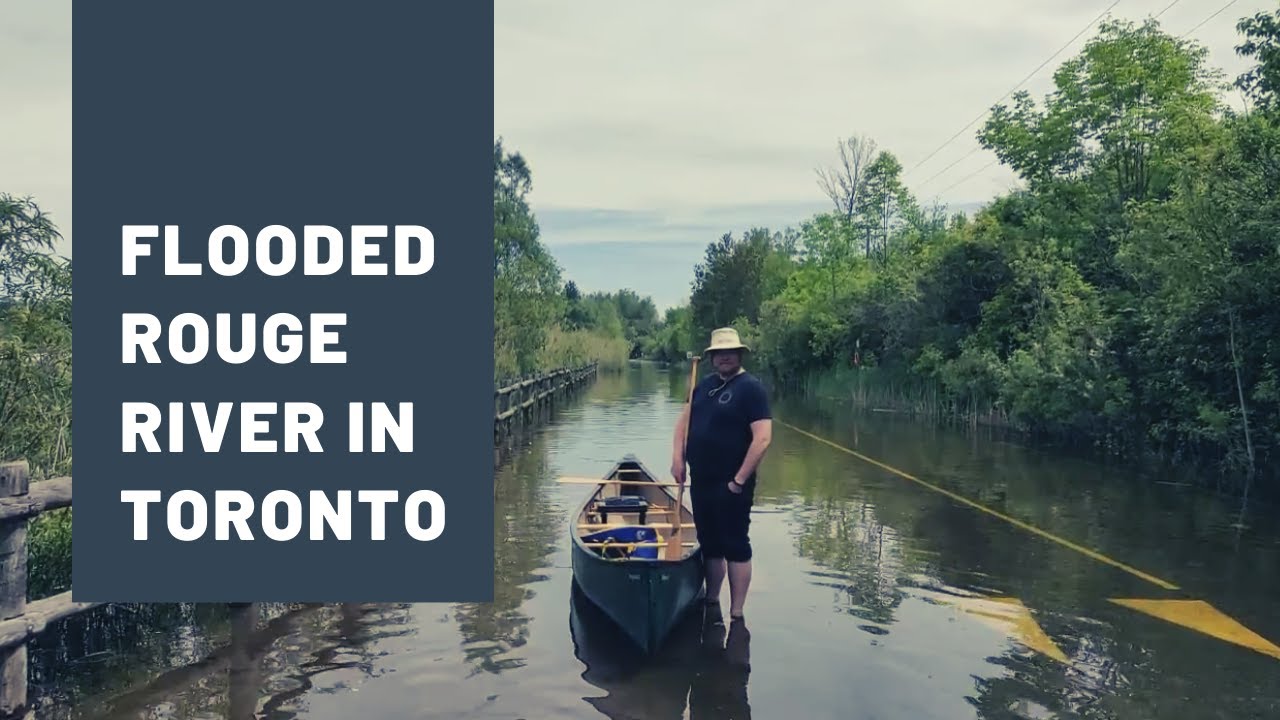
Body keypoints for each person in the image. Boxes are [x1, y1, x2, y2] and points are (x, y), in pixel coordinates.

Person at [671, 327, 772, 620]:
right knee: (710, 544)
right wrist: (677, 458)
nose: (725, 357)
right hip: (701, 480)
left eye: (730, 352)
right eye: (719, 353)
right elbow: (683, 424)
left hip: (731, 483)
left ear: (739, 354)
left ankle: (737, 612)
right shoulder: (703, 385)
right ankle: (712, 599)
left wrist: (738, 481)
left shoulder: (751, 389)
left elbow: (762, 438)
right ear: (712, 357)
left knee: (735, 544)